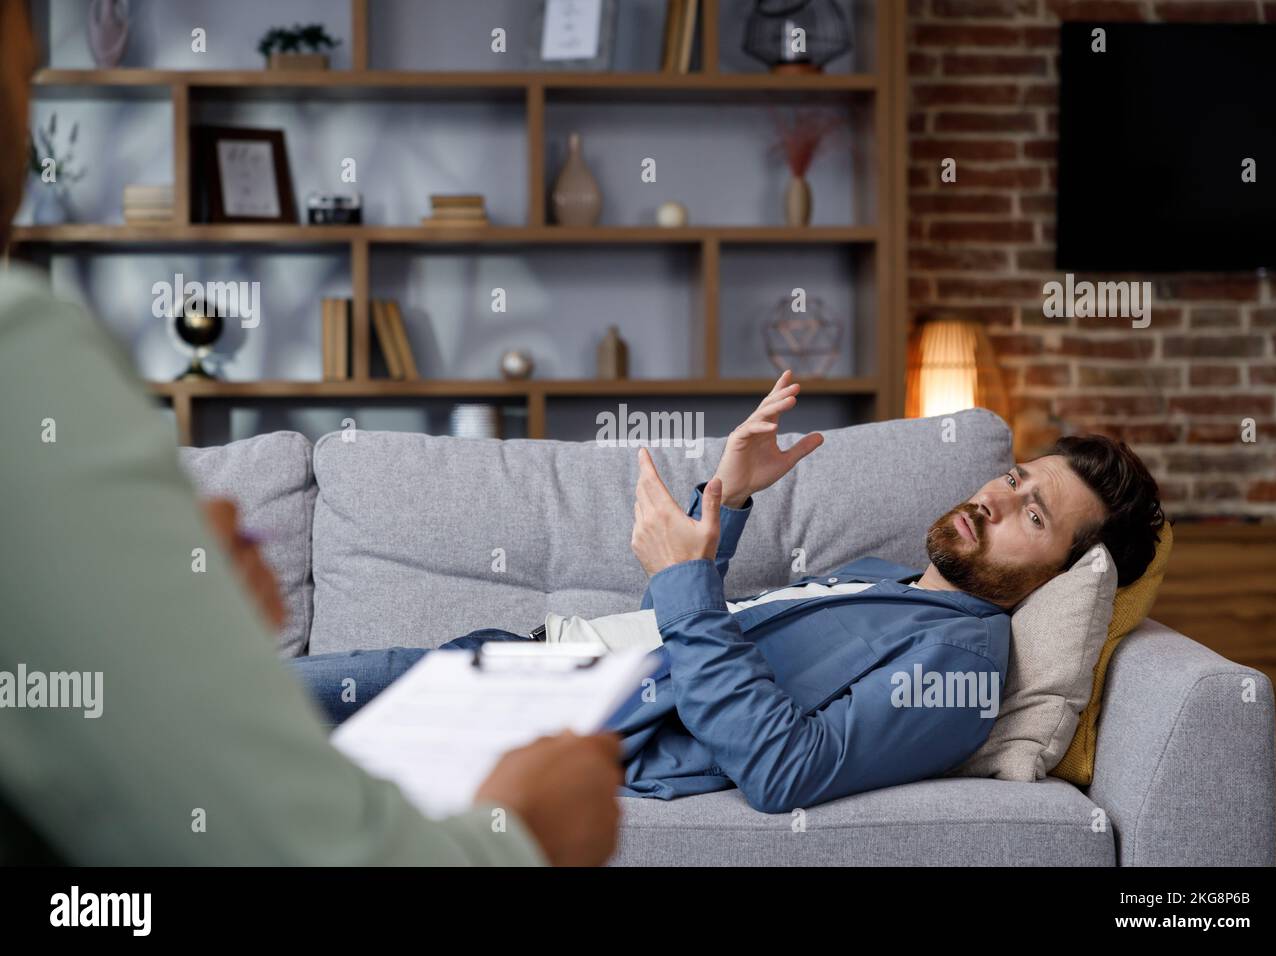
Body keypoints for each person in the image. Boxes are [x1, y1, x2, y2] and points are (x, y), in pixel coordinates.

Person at [0, 0, 623, 866]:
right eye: (24, 78)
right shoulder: (20, 351)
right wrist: (519, 840)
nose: (25, 130)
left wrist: (180, 642)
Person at [293, 372, 1164, 813]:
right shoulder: (887, 581)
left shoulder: (959, 665)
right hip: (525, 665)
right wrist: (730, 499)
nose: (997, 496)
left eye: (1034, 515)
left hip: (551, 722)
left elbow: (785, 767)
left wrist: (678, 576)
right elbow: (728, 635)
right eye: (1015, 477)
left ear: (1061, 576)